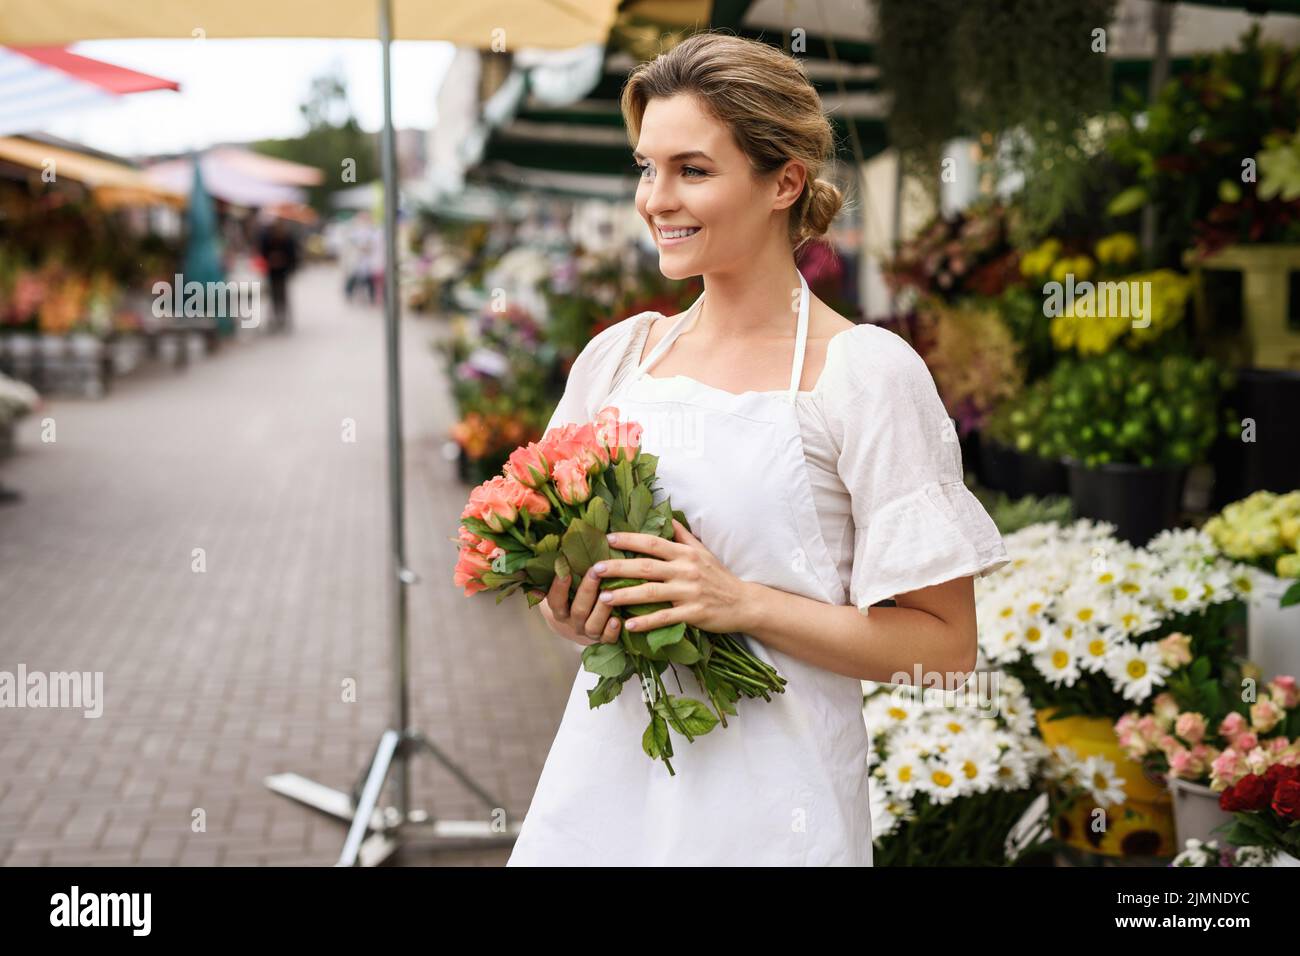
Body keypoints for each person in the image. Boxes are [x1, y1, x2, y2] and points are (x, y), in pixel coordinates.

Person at [506, 31, 1010, 867]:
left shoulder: (864, 373)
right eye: (646, 167)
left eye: (692, 170)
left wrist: (744, 604)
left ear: (785, 182)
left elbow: (946, 650)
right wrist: (569, 610)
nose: (655, 199)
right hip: (603, 799)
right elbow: (562, 584)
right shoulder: (621, 358)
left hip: (779, 817)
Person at [258, 217, 299, 332]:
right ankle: (276, 319)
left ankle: (283, 319)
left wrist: (285, 262)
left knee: (282, 295)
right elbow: (263, 251)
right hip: (272, 270)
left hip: (283, 271)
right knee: (274, 296)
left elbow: (293, 254)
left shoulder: (287, 237)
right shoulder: (267, 237)